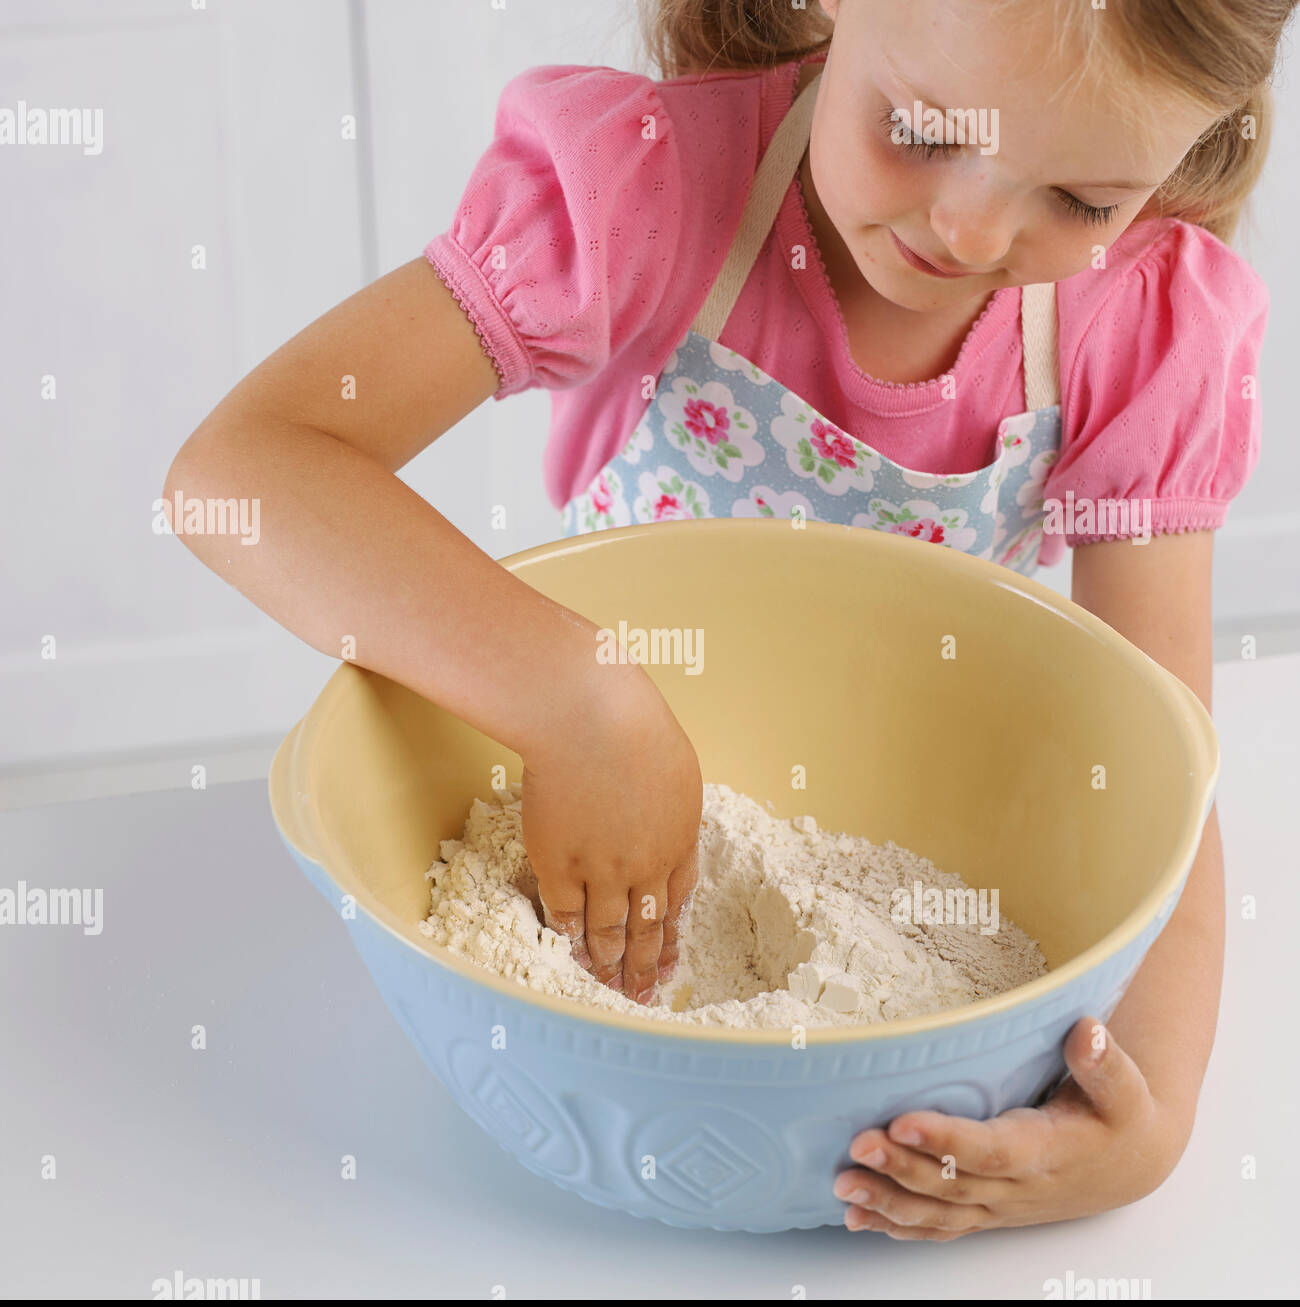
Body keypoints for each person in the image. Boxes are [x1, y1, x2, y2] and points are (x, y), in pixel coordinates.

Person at [167, 0, 1291, 1237]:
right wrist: (582, 701)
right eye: (917, 128)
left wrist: (1156, 1114)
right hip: (577, 771)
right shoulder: (646, 192)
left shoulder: (1143, 321)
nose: (970, 229)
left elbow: (1158, 767)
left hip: (919, 840)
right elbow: (241, 471)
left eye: (1080, 199)